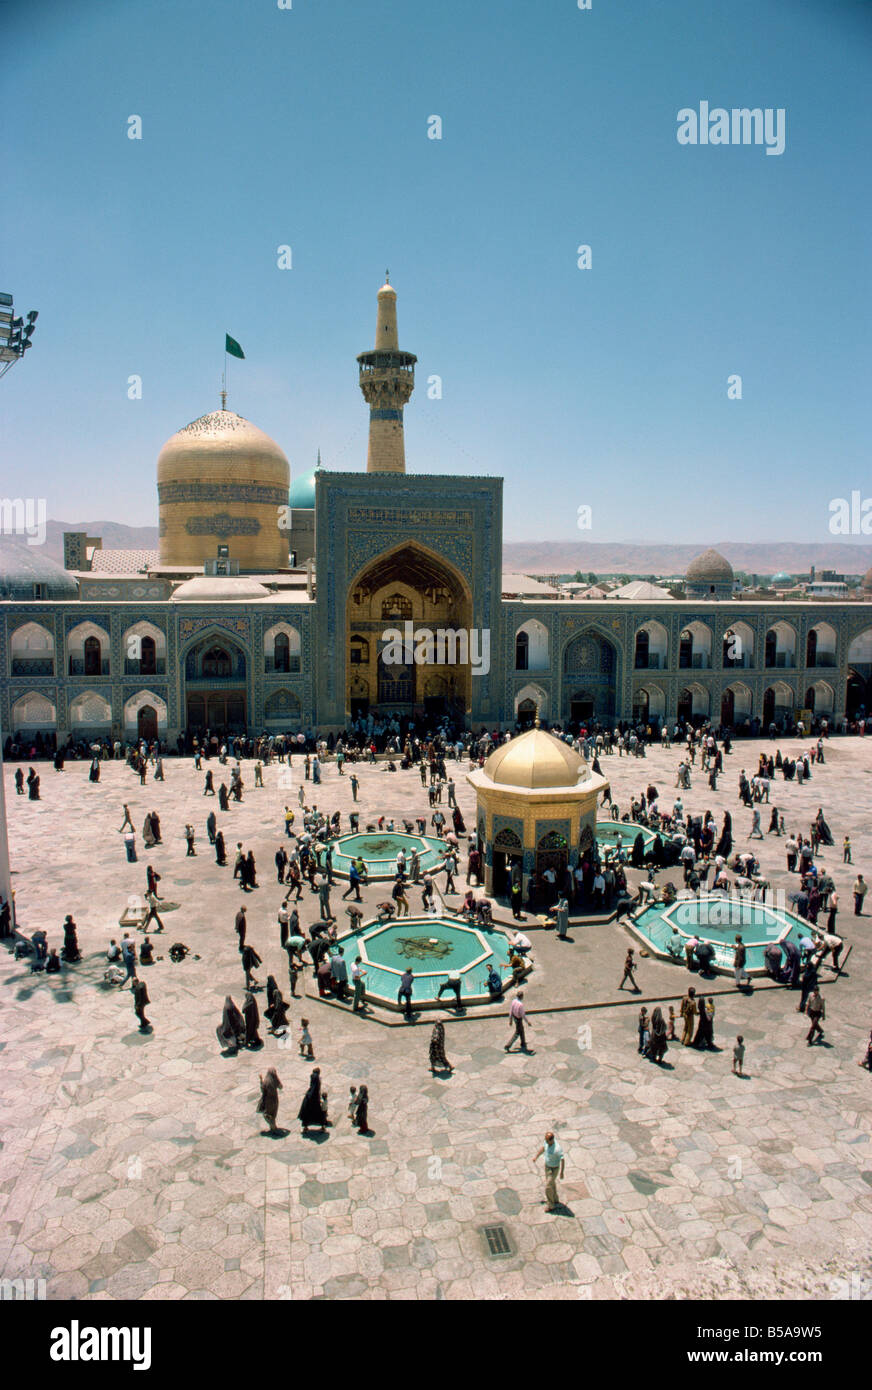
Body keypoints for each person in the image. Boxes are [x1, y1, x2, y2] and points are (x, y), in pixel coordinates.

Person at [533, 1131, 565, 1213]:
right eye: (546, 1141)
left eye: (547, 1141)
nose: (546, 1142)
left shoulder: (557, 1149)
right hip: (547, 1167)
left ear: (551, 1140)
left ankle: (551, 1205)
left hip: (554, 1169)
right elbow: (543, 1148)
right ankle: (555, 1199)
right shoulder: (547, 1143)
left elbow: (562, 1160)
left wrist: (561, 1172)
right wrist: (536, 1156)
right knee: (551, 1183)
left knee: (548, 1186)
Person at [298, 1068, 326, 1133]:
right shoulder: (317, 1081)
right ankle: (322, 1126)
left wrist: (308, 1095)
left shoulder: (314, 1084)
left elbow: (312, 1091)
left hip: (311, 1102)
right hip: (315, 1101)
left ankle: (305, 1127)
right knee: (318, 1113)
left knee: (306, 1113)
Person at [257, 1069, 282, 1133]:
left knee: (267, 1114)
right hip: (275, 1099)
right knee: (273, 1113)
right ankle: (273, 1127)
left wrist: (261, 1080)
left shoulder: (266, 1081)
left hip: (268, 1101)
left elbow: (262, 1090)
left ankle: (273, 1127)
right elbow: (281, 1087)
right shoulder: (275, 1080)